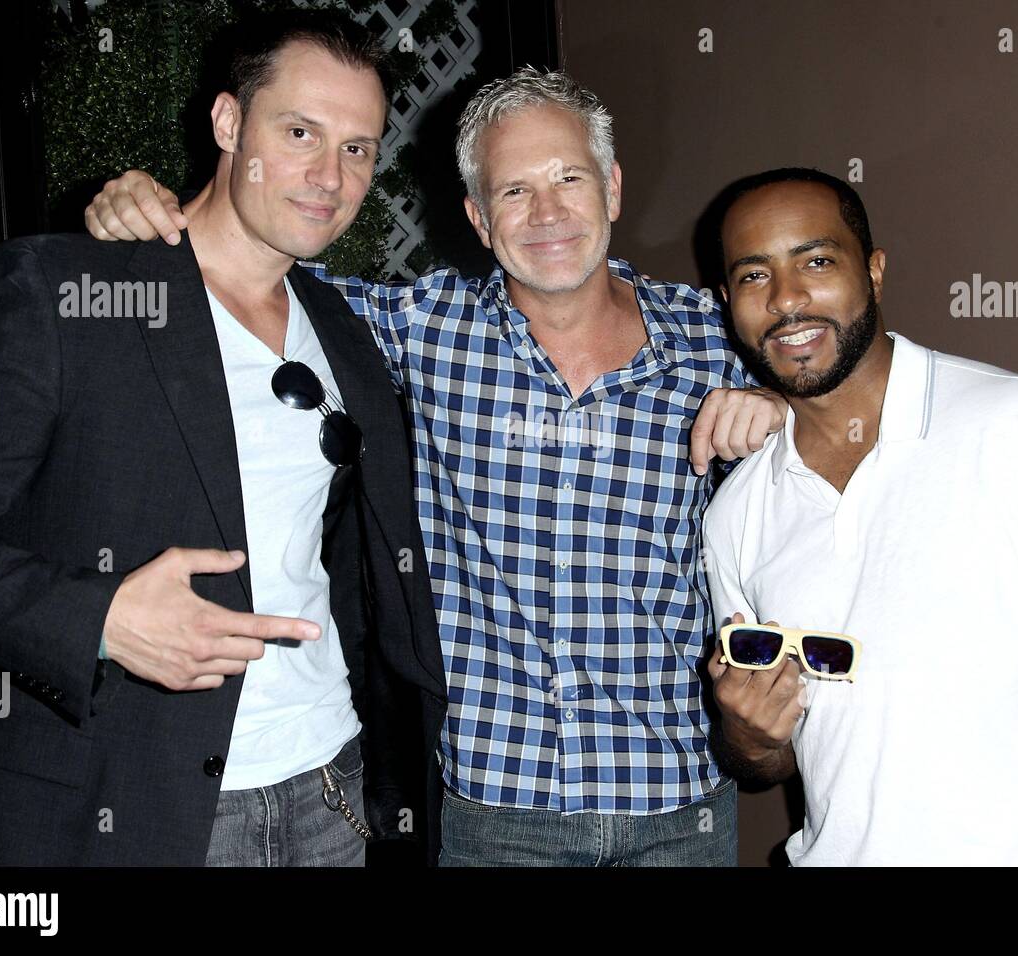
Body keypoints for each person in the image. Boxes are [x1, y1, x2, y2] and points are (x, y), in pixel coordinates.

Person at [88, 68, 787, 866]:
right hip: (494, 809)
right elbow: (249, 264)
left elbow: (845, 369)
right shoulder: (423, 328)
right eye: (514, 192)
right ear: (480, 220)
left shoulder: (714, 335)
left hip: (680, 802)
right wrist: (148, 212)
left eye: (569, 178)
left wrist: (785, 407)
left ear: (613, 188)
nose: (549, 212)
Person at [0, 11, 446, 866]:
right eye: (300, 131)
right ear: (229, 122)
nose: (329, 175)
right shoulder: (61, 291)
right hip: (135, 806)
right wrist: (99, 619)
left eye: (358, 148)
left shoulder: (344, 328)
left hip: (328, 790)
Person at [703, 167, 1018, 865]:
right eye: (755, 276)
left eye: (816, 261)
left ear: (874, 272)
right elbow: (777, 758)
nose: (787, 299)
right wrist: (750, 735)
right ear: (728, 301)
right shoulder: (736, 512)